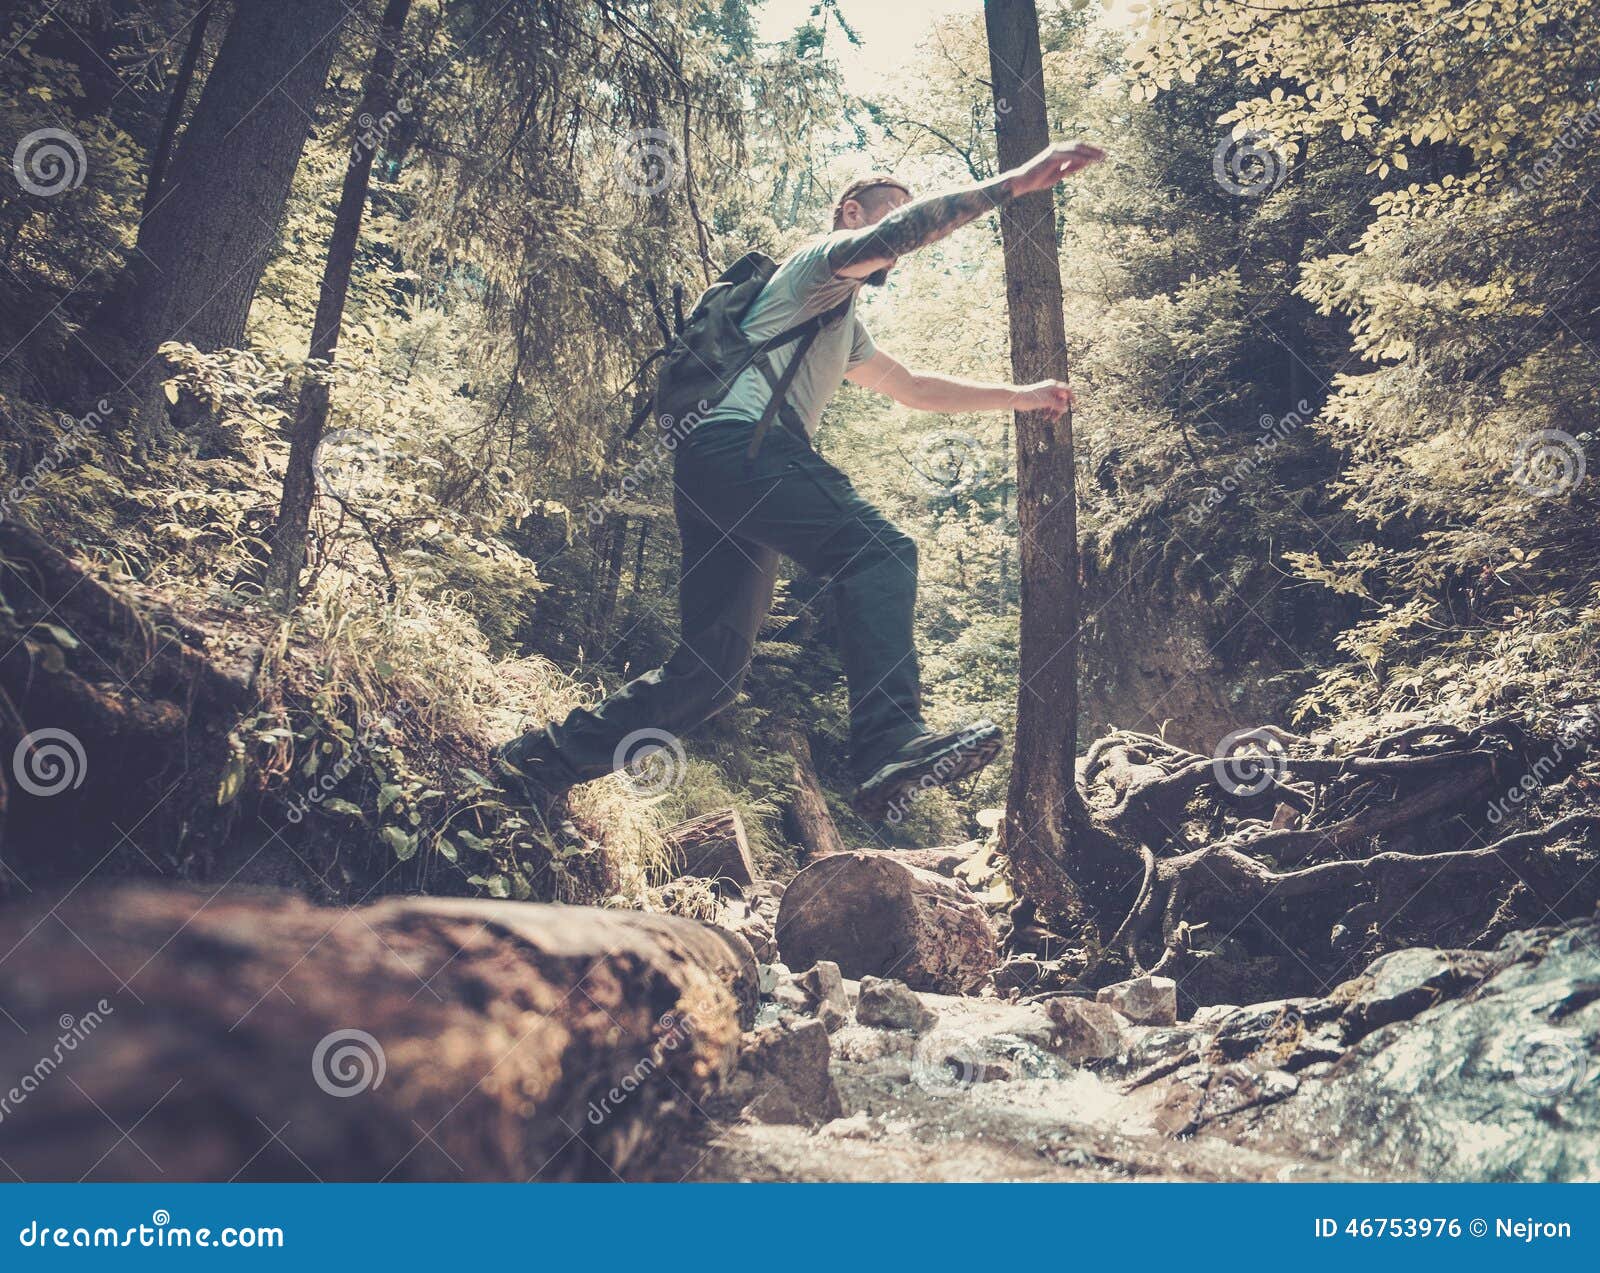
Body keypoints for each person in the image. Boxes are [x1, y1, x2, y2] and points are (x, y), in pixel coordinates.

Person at [496, 140, 1105, 826]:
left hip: (721, 471)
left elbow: (914, 389)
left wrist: (1022, 397)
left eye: (903, 220)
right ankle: (886, 742)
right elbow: (896, 235)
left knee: (711, 674)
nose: (899, 240)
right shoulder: (819, 262)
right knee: (879, 550)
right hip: (741, 448)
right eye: (887, 217)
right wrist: (1015, 184)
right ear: (851, 213)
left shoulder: (841, 322)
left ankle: (533, 764)